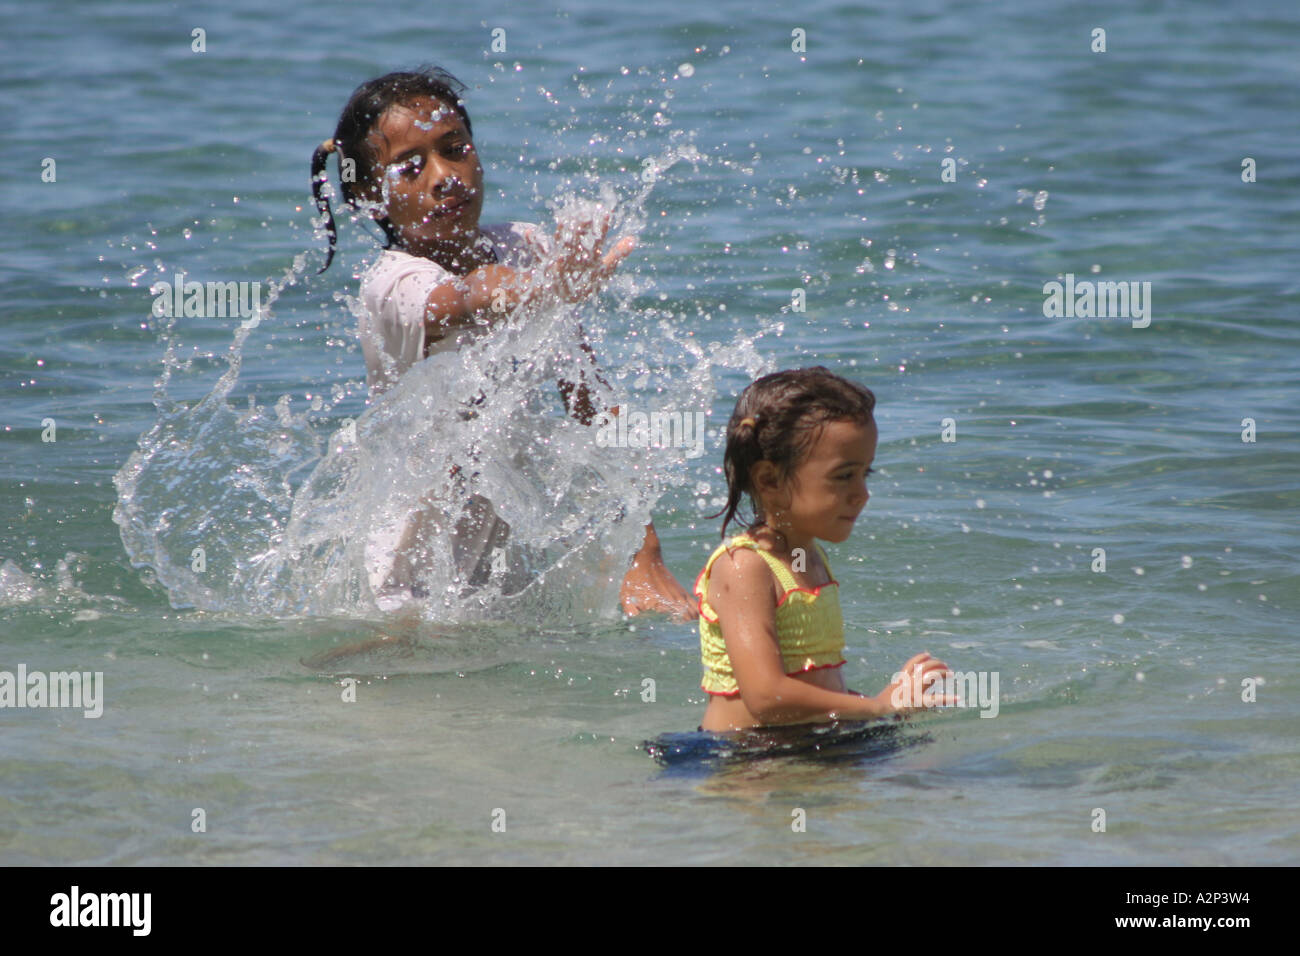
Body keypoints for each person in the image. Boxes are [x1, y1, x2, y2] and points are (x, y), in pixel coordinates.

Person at [309, 66, 695, 617]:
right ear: (372, 195)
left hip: (500, 573)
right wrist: (542, 288)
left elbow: (590, 402)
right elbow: (465, 298)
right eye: (410, 167)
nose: (444, 177)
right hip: (409, 582)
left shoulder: (523, 247)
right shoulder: (390, 284)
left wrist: (643, 555)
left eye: (455, 148)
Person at [695, 367, 955, 731]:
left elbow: (814, 682)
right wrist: (880, 705)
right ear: (769, 479)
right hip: (745, 759)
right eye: (844, 475)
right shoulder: (744, 567)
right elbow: (766, 697)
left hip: (814, 741)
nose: (862, 493)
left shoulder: (809, 556)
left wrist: (892, 699)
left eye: (867, 474)